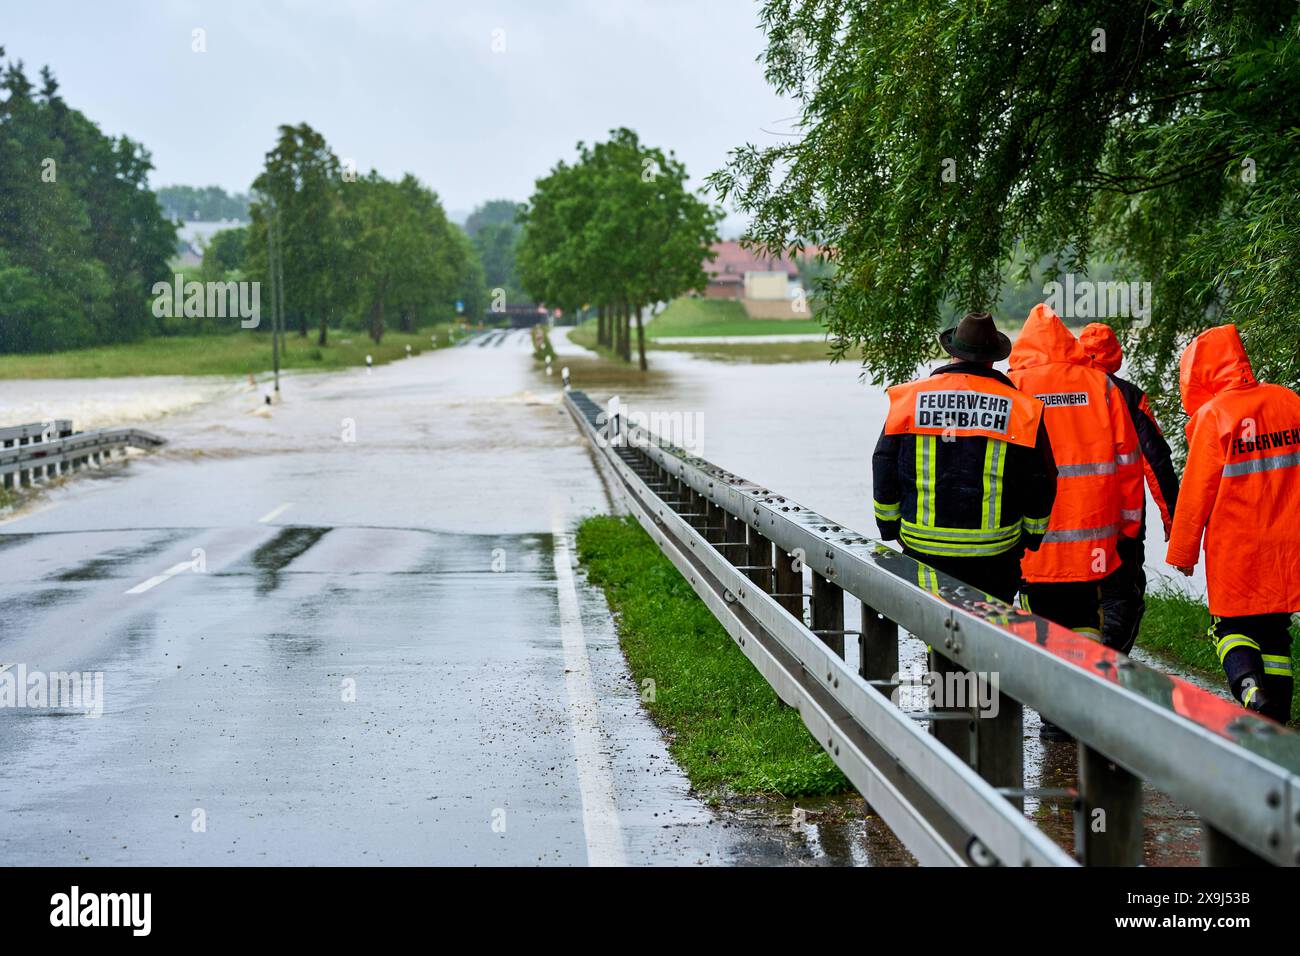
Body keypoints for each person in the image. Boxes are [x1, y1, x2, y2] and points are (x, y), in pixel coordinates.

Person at [872, 311, 1056, 604]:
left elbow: (883, 463)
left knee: (937, 629)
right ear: (992, 359)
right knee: (991, 634)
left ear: (953, 353)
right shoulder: (1022, 408)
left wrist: (890, 527)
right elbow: (1042, 478)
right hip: (995, 553)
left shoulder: (909, 399)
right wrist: (1030, 537)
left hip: (923, 546)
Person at [1166, 324, 1300, 722]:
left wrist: (1183, 552)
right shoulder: (1288, 400)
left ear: (1201, 374)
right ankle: (1276, 719)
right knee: (1276, 631)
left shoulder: (1214, 416)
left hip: (1237, 548)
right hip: (1288, 546)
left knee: (1229, 627)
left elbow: (1195, 494)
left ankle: (1249, 687)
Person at [1007, 304, 1143, 640]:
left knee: (1040, 619)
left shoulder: (1013, 388)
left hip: (1034, 539)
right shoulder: (1102, 387)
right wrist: (1129, 527)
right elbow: (1129, 464)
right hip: (1092, 535)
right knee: (1084, 612)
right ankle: (1086, 680)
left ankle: (1047, 683)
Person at [1078, 323, 1180, 654]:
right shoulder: (1130, 395)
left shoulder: (1060, 392)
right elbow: (1156, 461)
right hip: (1123, 523)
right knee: (1124, 597)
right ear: (1116, 356)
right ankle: (1108, 664)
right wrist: (1174, 523)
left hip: (1066, 523)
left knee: (1073, 599)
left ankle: (1077, 668)